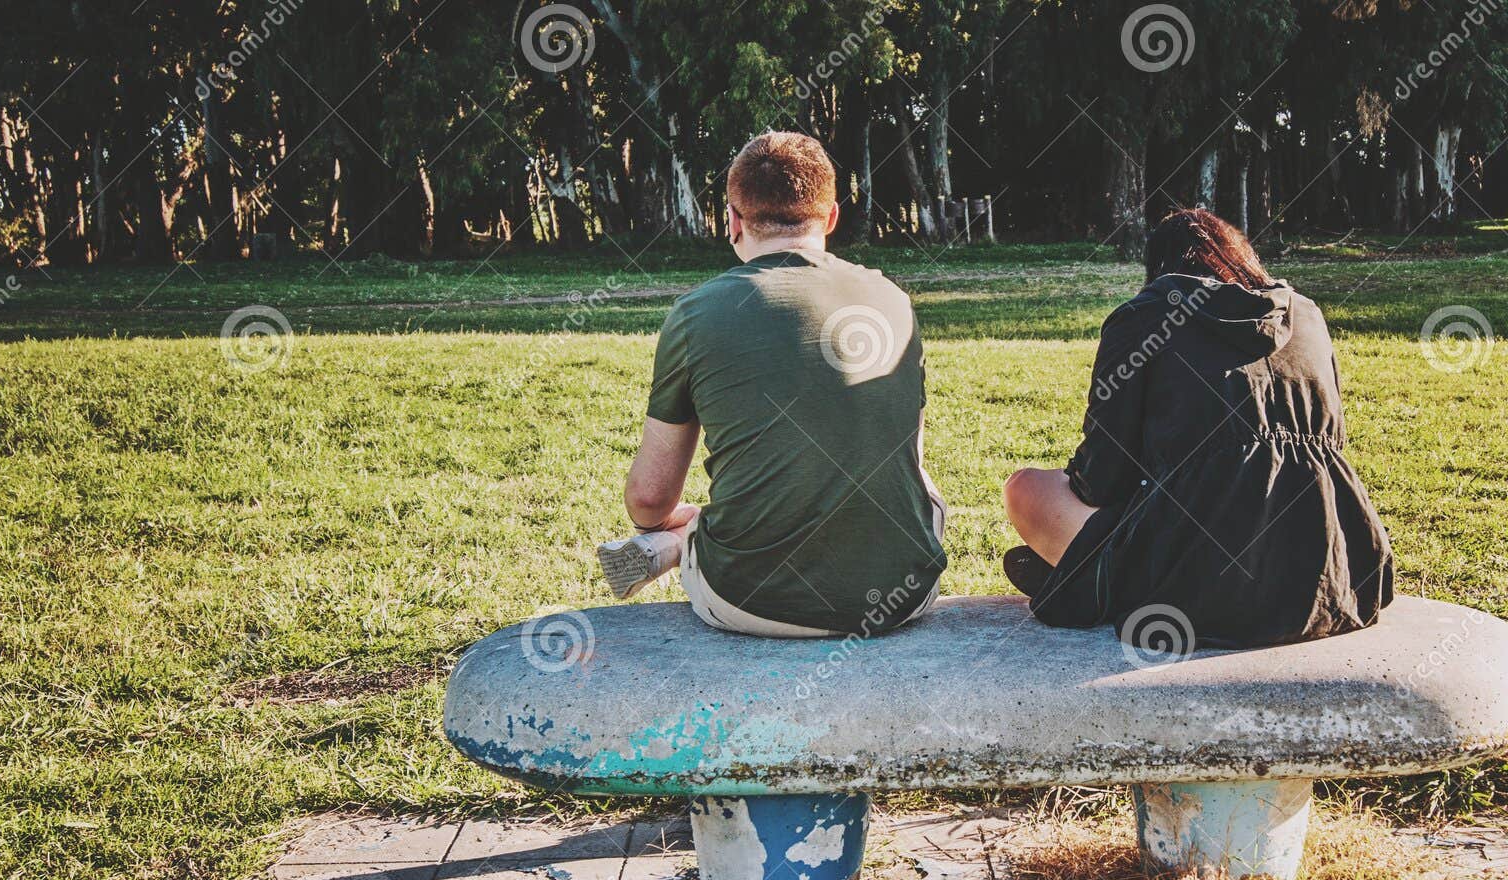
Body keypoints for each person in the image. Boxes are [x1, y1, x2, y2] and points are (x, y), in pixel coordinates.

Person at [597, 131, 947, 638]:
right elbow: (905, 460)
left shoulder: (697, 313)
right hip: (905, 594)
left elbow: (649, 499)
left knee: (692, 521)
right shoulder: (893, 300)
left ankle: (679, 543)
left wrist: (660, 524)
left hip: (750, 600)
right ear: (830, 217)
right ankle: (690, 537)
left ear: (734, 222)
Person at [1002, 208, 1393, 648]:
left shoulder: (1143, 318)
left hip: (1198, 589)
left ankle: (1086, 579)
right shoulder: (1306, 316)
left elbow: (1102, 479)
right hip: (1334, 572)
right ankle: (1083, 576)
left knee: (1025, 487)